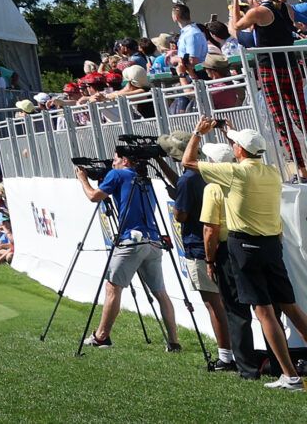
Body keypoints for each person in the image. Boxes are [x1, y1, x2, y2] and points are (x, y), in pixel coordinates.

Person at [184, 119, 307, 387]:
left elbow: (188, 163)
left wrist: (196, 134)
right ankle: (288, 372)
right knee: (291, 308)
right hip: (273, 246)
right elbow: (246, 149)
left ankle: (290, 375)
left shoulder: (234, 173)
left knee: (264, 312)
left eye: (235, 144)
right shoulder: (272, 172)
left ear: (239, 150)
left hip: (245, 247)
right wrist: (228, 131)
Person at [77, 139, 179, 350]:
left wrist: (83, 179)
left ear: (124, 160)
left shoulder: (118, 175)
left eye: (115, 158)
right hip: (152, 241)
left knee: (112, 287)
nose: (112, 163)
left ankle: (102, 336)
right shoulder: (144, 178)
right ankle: (173, 341)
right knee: (160, 292)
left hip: (131, 242)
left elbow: (94, 197)